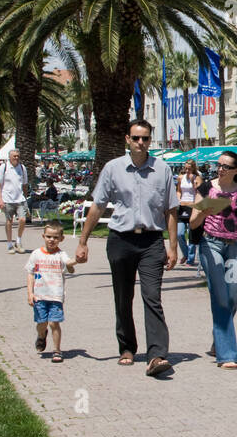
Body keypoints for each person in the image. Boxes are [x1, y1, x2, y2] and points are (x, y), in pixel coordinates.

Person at [75, 119, 179, 377]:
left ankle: (156, 355)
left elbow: (171, 210)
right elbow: (98, 206)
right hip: (120, 240)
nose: (141, 143)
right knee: (123, 297)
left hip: (152, 242)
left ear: (150, 140)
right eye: (136, 138)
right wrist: (83, 241)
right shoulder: (113, 169)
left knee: (152, 297)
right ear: (127, 139)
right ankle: (127, 347)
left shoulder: (162, 169)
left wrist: (173, 247)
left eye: (145, 138)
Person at [189, 149, 237, 370]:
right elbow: (192, 223)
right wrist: (204, 212)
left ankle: (220, 332)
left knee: (234, 295)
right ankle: (227, 355)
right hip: (211, 244)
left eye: (226, 166)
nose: (221, 169)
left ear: (236, 170)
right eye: (219, 165)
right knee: (220, 295)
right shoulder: (206, 188)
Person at [27, 219, 77, 363]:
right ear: (43, 236)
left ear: (61, 239)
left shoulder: (61, 255)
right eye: (49, 236)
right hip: (39, 296)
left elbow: (68, 263)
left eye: (55, 237)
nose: (52, 240)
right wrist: (30, 293)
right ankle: (42, 336)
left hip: (56, 296)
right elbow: (30, 273)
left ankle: (57, 350)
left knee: (54, 323)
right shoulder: (36, 254)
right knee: (42, 323)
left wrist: (77, 260)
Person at [0, 149, 30, 254]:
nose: (16, 158)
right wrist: (0, 200)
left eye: (18, 156)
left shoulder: (22, 168)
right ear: (10, 157)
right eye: (14, 156)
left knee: (22, 219)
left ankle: (18, 241)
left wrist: (25, 197)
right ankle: (9, 244)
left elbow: (25, 184)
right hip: (7, 199)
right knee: (9, 222)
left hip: (20, 199)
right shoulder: (4, 167)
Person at [176, 159, 202, 268]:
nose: (187, 171)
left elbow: (199, 192)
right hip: (182, 206)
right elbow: (178, 190)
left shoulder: (197, 178)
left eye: (189, 169)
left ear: (193, 168)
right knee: (179, 233)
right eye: (185, 168)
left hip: (192, 206)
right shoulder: (180, 177)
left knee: (192, 234)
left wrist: (192, 182)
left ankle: (190, 259)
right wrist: (178, 199)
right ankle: (186, 254)